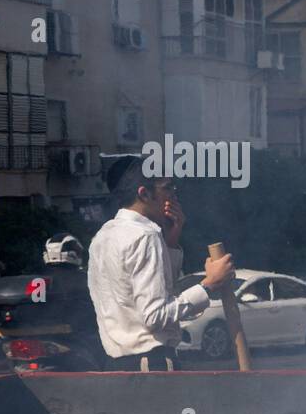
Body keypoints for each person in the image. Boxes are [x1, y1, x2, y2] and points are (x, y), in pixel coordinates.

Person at [87, 158, 233, 372]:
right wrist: (209, 285)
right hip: (152, 364)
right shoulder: (145, 235)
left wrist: (171, 239)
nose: (174, 195)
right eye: (167, 188)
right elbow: (155, 316)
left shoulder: (102, 237)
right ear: (144, 194)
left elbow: (157, 292)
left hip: (116, 366)